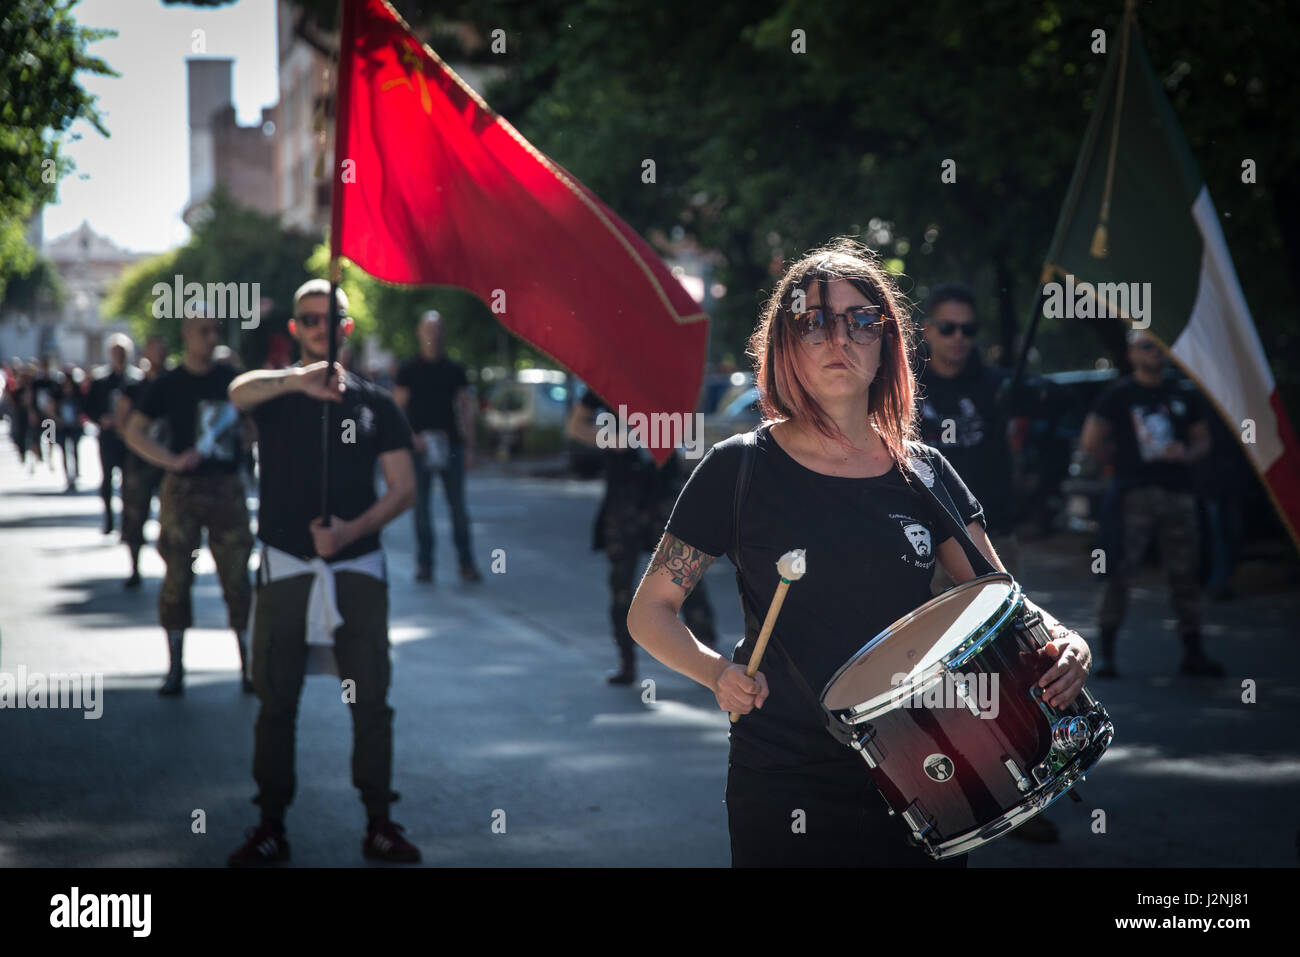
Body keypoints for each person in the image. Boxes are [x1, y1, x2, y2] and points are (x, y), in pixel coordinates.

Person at [627, 238, 1092, 867]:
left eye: (860, 321)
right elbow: (650, 610)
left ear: (887, 342)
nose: (836, 339)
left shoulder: (924, 473)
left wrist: (1066, 639)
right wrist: (715, 673)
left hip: (925, 778)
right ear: (785, 344)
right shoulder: (738, 469)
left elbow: (1002, 605)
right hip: (785, 776)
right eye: (812, 321)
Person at [225, 279, 420, 865]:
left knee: (371, 702)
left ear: (346, 327)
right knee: (276, 701)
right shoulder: (276, 395)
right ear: (295, 329)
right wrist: (292, 379)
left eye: (329, 318)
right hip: (285, 565)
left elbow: (404, 488)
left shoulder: (375, 403)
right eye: (308, 319)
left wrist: (349, 533)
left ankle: (380, 821)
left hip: (357, 567)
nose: (319, 328)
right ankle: (270, 825)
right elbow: (235, 392)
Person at [913, 283, 1059, 844]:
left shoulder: (999, 384)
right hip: (919, 543)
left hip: (987, 540)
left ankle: (1025, 790)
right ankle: (942, 789)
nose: (958, 340)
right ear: (928, 331)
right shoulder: (908, 385)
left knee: (1006, 661)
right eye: (947, 328)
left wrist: (1029, 394)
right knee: (930, 673)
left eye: (968, 330)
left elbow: (1056, 405)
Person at [124, 311, 254, 695]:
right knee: (177, 576)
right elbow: (135, 431)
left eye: (215, 330)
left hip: (226, 488)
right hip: (183, 490)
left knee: (237, 578)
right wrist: (171, 461)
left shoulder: (231, 382)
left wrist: (246, 437)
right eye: (203, 331)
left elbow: (254, 427)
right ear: (186, 334)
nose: (210, 337)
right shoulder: (169, 384)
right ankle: (175, 666)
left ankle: (248, 664)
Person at [1080, 329, 1222, 678]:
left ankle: (1194, 651)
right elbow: (1091, 440)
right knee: (1118, 572)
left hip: (1178, 491)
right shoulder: (1119, 394)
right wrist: (1117, 463)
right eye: (1146, 346)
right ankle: (1108, 655)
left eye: (1159, 345)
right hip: (1133, 494)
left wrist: (1187, 453)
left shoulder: (1182, 392)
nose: (1154, 352)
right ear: (1131, 353)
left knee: (1184, 572)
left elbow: (1203, 440)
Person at [566, 388, 718, 684]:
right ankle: (627, 660)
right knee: (622, 582)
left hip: (664, 493)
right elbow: (575, 426)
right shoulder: (607, 378)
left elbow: (693, 414)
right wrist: (611, 440)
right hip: (624, 495)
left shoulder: (667, 375)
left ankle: (710, 660)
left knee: (686, 577)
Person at [394, 311, 481, 584]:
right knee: (421, 508)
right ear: (419, 333)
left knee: (458, 507)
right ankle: (425, 564)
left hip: (451, 445)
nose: (433, 334)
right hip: (419, 447)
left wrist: (470, 447)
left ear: (443, 333)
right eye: (428, 329)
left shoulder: (454, 370)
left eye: (437, 329)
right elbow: (397, 409)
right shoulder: (408, 370)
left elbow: (466, 408)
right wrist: (411, 439)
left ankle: (466, 562)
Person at [117, 337, 169, 588]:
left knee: (173, 518)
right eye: (154, 348)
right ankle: (134, 566)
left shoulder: (174, 382)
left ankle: (175, 566)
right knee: (135, 514)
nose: (158, 353)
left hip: (169, 462)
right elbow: (122, 419)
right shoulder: (135, 386)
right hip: (139, 462)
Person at [85, 335, 137, 532]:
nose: (119, 357)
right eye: (116, 353)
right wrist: (101, 419)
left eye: (122, 353)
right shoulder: (100, 381)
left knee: (128, 481)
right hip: (108, 437)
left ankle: (126, 520)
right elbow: (89, 407)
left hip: (129, 438)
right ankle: (109, 518)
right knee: (107, 478)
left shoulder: (135, 380)